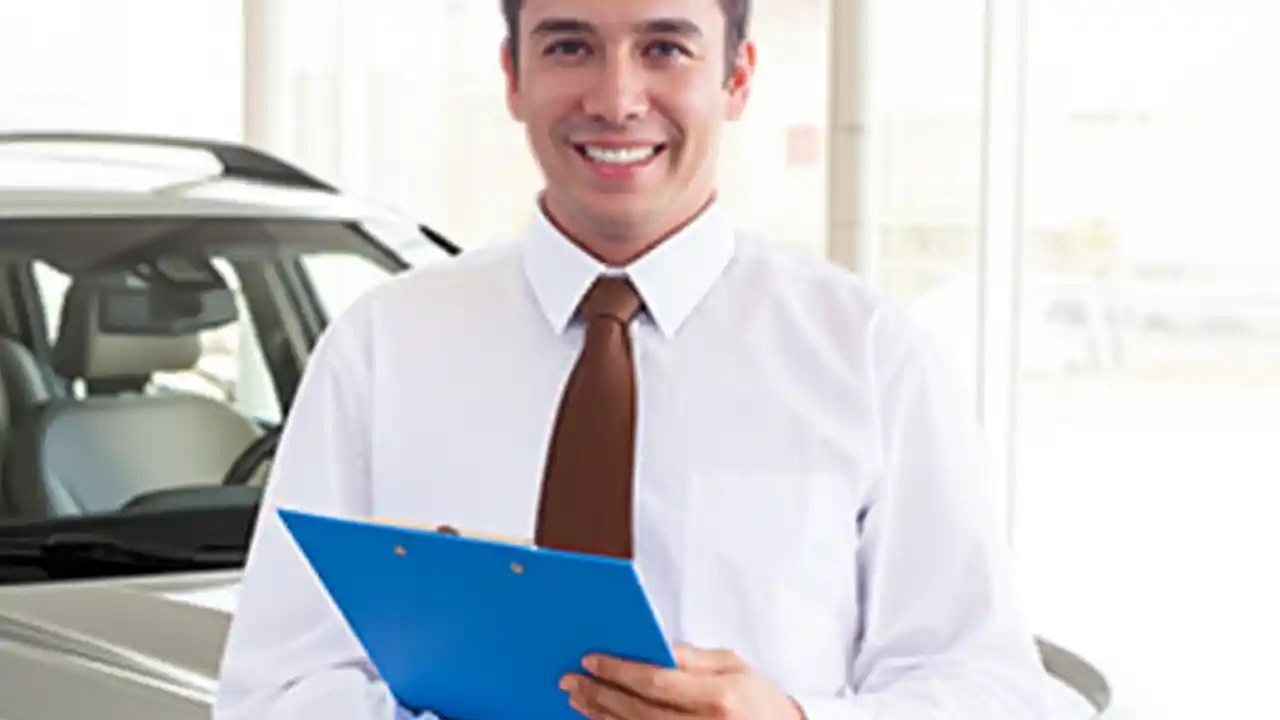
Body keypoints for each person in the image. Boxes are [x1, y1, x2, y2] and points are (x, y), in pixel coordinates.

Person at [214, 0, 1051, 718]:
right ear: (513, 75)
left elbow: (987, 687)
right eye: (570, 45)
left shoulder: (870, 356)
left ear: (738, 77)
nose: (616, 99)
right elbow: (270, 691)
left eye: (665, 47)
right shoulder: (379, 349)